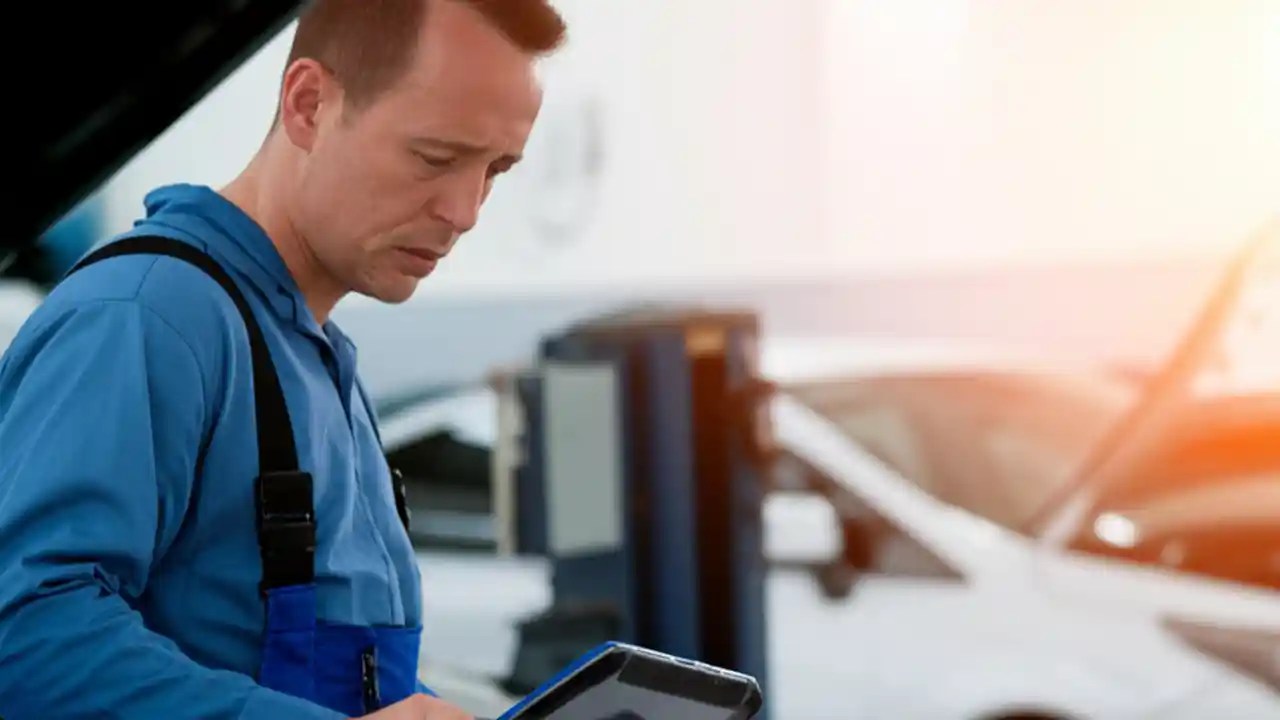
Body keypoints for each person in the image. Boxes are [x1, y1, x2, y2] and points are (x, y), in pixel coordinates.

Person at [0, 0, 565, 718]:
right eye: (435, 157)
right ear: (308, 104)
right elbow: (24, 636)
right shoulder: (145, 318)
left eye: (496, 170)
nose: (465, 211)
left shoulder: (316, 360)